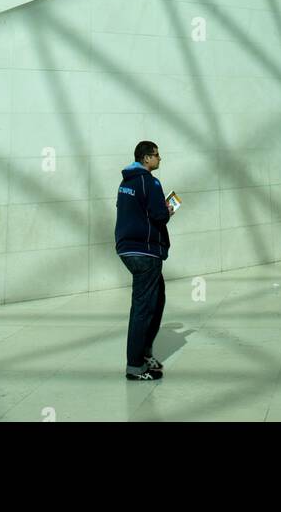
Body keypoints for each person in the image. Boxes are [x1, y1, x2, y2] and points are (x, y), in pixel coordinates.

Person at [115, 140, 175, 381]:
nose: (160, 159)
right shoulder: (150, 181)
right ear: (146, 158)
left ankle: (145, 351)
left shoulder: (125, 182)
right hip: (146, 251)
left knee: (157, 298)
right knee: (143, 307)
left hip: (127, 249)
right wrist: (168, 211)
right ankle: (135, 365)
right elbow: (159, 215)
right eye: (157, 155)